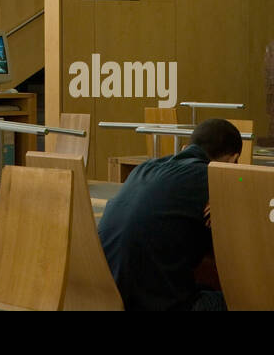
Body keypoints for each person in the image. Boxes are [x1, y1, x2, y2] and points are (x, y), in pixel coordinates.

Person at [98, 118, 243, 311]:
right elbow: (236, 246)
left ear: (185, 147)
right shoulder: (210, 178)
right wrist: (233, 185)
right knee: (247, 301)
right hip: (153, 303)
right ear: (233, 160)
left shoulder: (144, 169)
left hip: (107, 297)